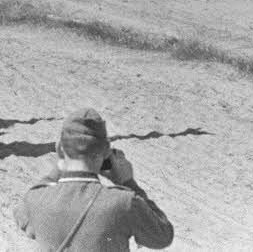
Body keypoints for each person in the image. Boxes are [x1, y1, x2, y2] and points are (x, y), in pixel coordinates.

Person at [15, 108, 174, 251]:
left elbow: (21, 215)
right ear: (106, 151)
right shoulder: (124, 202)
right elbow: (162, 237)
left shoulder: (35, 200)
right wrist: (128, 183)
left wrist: (57, 169)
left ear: (59, 148)